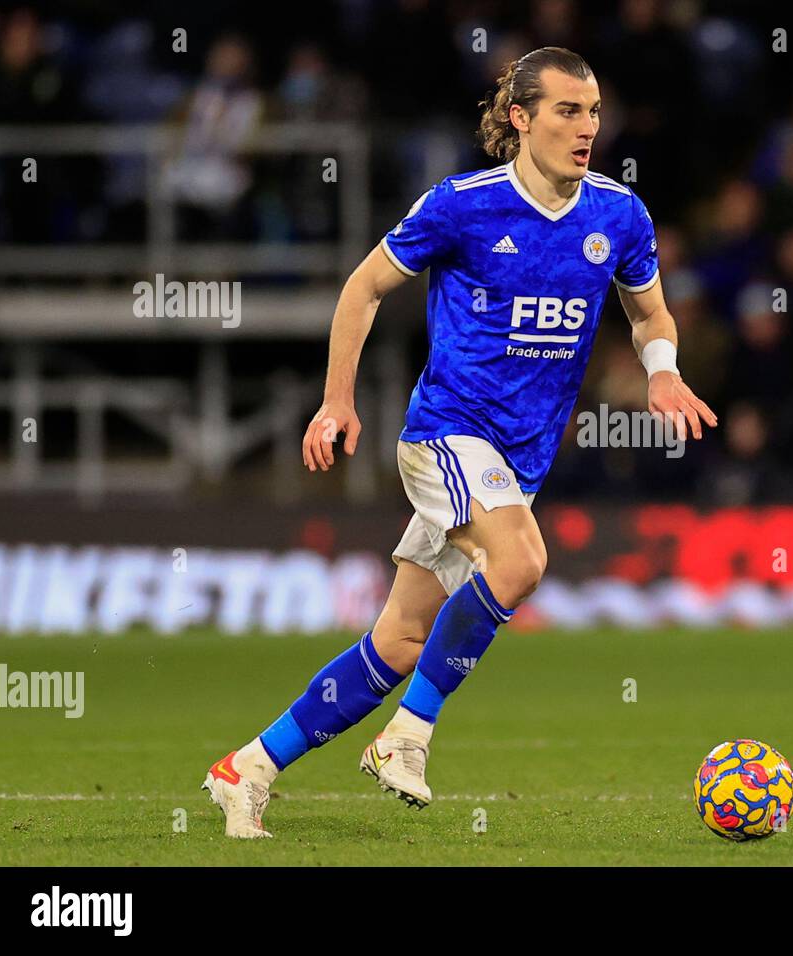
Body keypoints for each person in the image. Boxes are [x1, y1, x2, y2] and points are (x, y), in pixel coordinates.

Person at [201, 47, 717, 838]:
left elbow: (649, 313)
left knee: (401, 640)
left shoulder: (618, 215)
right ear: (521, 119)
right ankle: (407, 739)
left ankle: (248, 768)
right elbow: (363, 286)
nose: (587, 130)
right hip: (447, 434)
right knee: (521, 562)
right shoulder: (463, 205)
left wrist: (663, 370)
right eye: (567, 112)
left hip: (519, 461)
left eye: (595, 113)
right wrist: (336, 399)